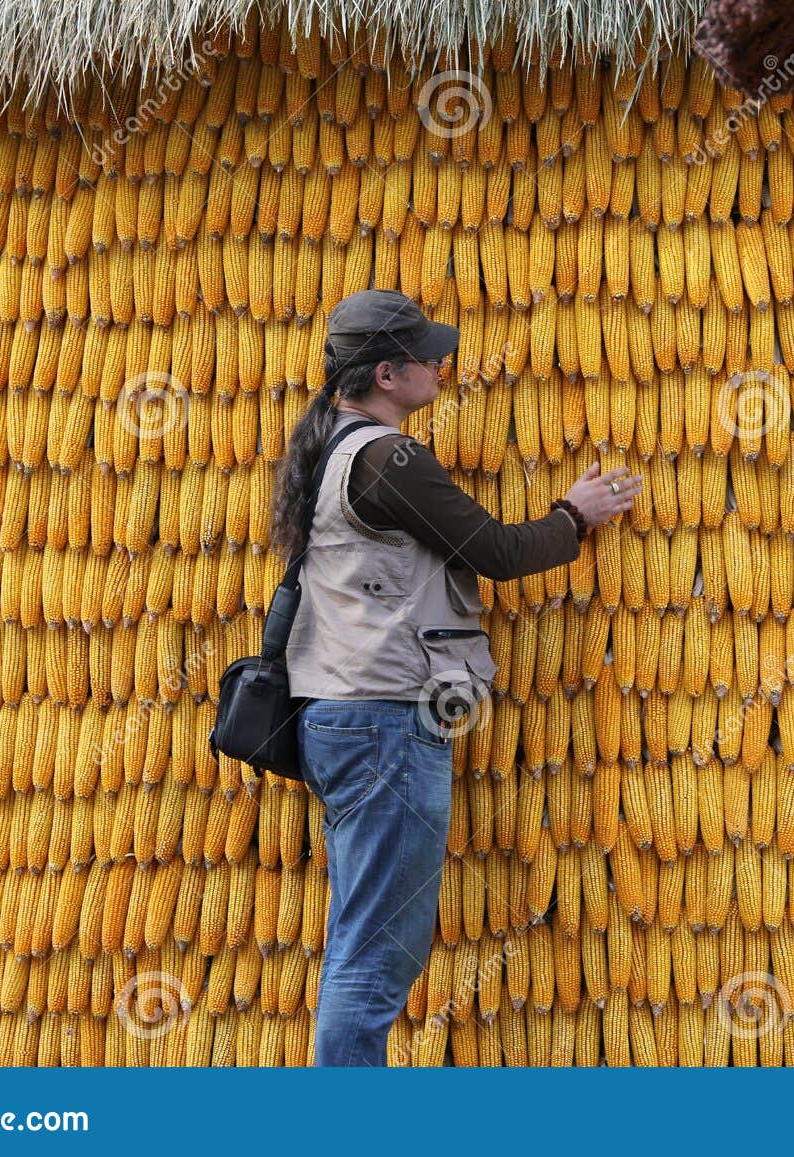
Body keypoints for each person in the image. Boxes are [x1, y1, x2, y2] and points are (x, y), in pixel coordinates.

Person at [270, 289, 642, 1066]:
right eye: (425, 356)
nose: (442, 364)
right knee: (376, 957)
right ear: (386, 373)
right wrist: (573, 515)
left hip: (341, 714)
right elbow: (496, 551)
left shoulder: (333, 445)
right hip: (384, 722)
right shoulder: (386, 457)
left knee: (361, 939)